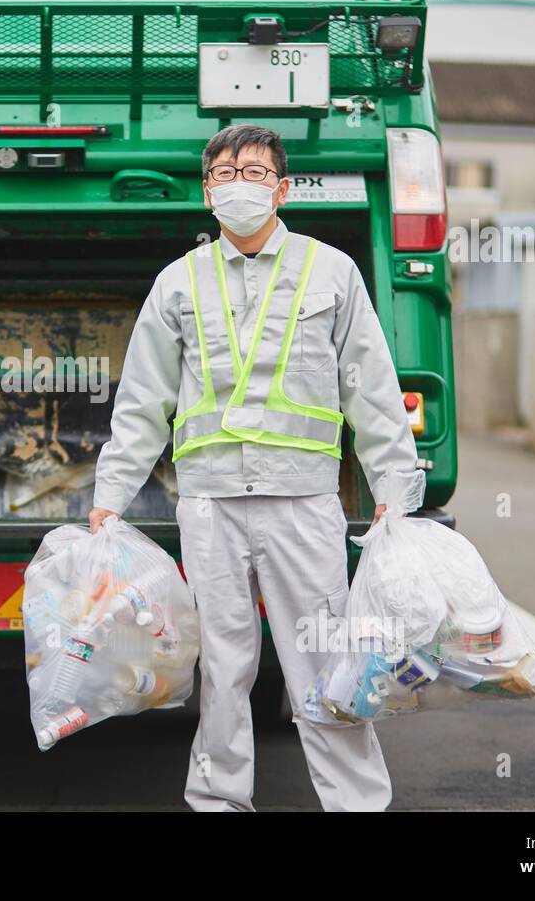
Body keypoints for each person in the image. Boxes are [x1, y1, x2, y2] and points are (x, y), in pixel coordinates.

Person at [88, 123, 422, 811]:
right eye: (226, 173)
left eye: (255, 171)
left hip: (301, 502)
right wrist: (110, 497)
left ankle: (356, 804)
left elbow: (372, 387)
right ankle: (218, 801)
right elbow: (143, 400)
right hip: (209, 503)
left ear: (283, 187)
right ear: (207, 190)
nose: (241, 183)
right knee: (224, 667)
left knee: (322, 665)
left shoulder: (332, 272)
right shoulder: (178, 283)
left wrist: (393, 485)